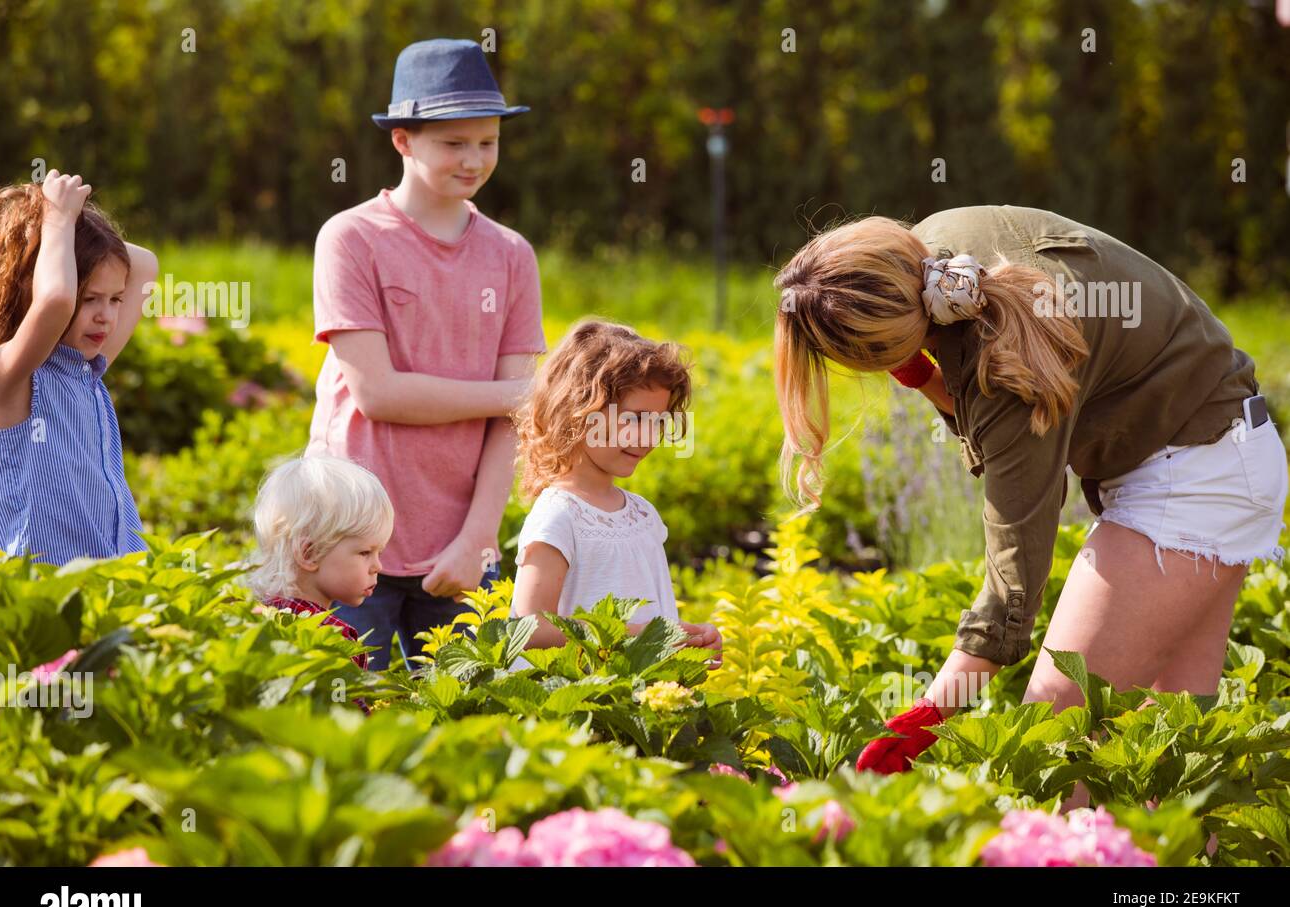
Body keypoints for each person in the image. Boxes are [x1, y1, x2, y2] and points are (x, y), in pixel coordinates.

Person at [773, 206, 1287, 808]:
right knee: (1170, 778)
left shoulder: (1005, 371)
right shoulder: (940, 245)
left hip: (1197, 479)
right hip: (1227, 448)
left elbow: (1014, 581)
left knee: (1048, 750)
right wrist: (917, 370)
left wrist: (926, 717)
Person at [306, 39, 546, 670]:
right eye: (453, 143)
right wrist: (518, 395)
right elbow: (378, 394)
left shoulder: (512, 255)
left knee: (470, 733)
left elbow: (512, 421)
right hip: (348, 539)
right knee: (350, 722)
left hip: (461, 547)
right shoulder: (351, 237)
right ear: (403, 141)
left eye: (487, 142)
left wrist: (477, 537)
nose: (473, 160)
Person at [509, 320, 722, 669]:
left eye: (657, 422)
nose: (648, 438)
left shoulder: (642, 515)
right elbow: (530, 628)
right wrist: (633, 636)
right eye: (636, 419)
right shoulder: (559, 515)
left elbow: (655, 619)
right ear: (579, 411)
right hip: (580, 709)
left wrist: (690, 641)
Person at [0, 170, 159, 566]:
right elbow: (55, 303)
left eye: (115, 299)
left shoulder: (87, 369)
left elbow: (145, 265)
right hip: (43, 598)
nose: (106, 317)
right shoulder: (8, 376)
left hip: (107, 588)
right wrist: (55, 219)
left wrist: (65, 227)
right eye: (90, 299)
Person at [249, 454, 394, 711]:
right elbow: (349, 720)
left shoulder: (255, 618)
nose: (378, 566)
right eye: (365, 553)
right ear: (309, 553)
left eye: (379, 552)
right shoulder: (333, 639)